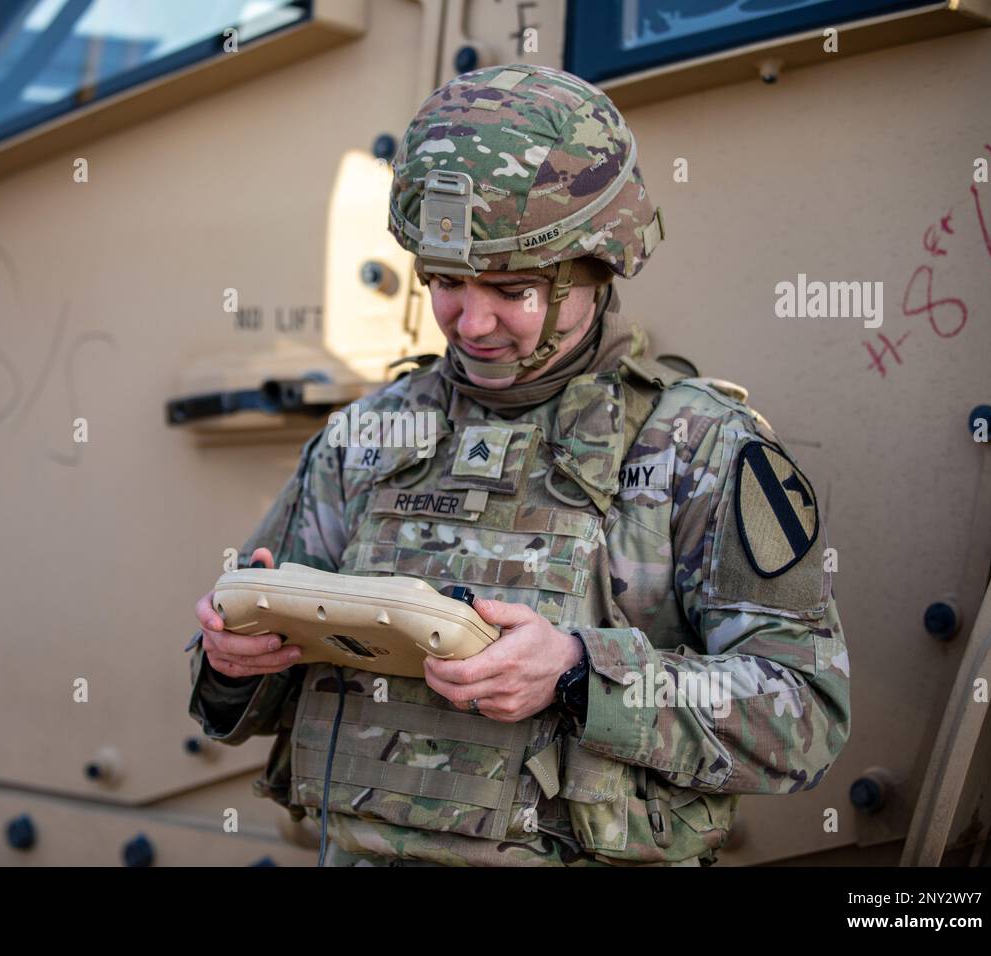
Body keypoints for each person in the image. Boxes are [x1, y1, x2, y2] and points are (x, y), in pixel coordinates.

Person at [187, 64, 850, 867]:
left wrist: (579, 674)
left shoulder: (701, 449)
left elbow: (804, 717)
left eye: (511, 288)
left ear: (596, 267)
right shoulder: (367, 437)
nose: (470, 321)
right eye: (444, 283)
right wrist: (234, 662)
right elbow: (230, 704)